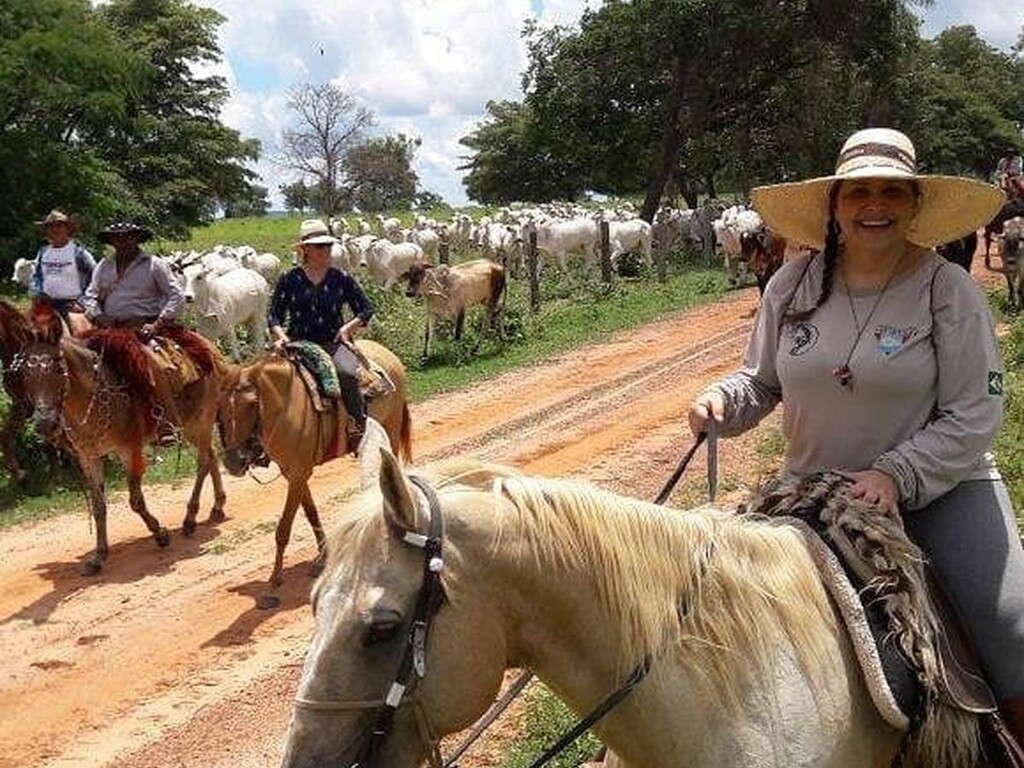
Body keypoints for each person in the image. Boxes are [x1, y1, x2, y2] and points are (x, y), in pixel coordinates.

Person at [688, 128, 1024, 745]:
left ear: (914, 204)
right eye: (859, 192)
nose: (875, 206)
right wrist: (723, 401)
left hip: (941, 491)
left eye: (892, 192)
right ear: (834, 204)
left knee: (1012, 628)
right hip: (808, 493)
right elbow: (759, 379)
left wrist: (894, 474)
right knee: (701, 614)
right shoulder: (791, 286)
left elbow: (974, 414)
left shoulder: (946, 291)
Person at [268, 218, 374, 453]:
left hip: (332, 343)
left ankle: (359, 425)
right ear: (305, 250)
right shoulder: (289, 279)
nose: (326, 250)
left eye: (327, 246)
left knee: (346, 373)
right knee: (262, 380)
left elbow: (366, 309)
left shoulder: (340, 278)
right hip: (297, 343)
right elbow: (274, 314)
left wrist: (348, 328)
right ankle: (261, 441)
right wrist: (280, 335)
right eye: (319, 246)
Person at [81, 221, 186, 445]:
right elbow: (89, 295)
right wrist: (98, 315)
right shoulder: (103, 266)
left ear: (137, 239)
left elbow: (176, 295)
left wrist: (157, 324)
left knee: (154, 364)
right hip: (109, 329)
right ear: (112, 242)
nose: (124, 242)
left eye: (129, 237)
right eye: (118, 238)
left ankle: (166, 421)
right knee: (78, 362)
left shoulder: (154, 265)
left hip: (143, 329)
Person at [28, 210, 95, 334]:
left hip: (72, 305)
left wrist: (83, 302)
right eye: (51, 226)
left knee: (82, 340)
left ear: (68, 229)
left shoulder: (79, 253)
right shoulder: (43, 252)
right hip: (47, 304)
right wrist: (36, 293)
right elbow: (36, 276)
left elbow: (95, 279)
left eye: (59, 225)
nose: (55, 229)